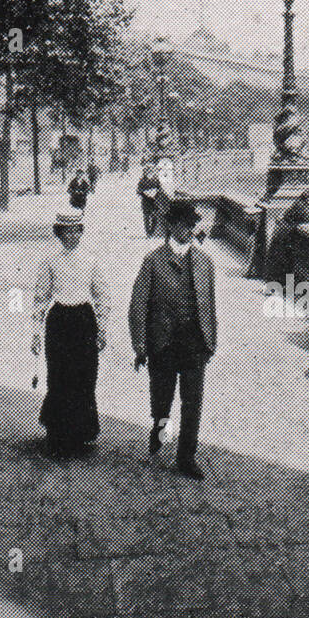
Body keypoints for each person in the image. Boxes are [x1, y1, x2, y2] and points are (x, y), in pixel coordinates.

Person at [129, 198, 216, 479]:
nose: (187, 230)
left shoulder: (204, 262)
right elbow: (138, 304)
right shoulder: (153, 261)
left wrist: (210, 340)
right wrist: (140, 344)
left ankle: (186, 457)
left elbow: (208, 304)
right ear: (170, 226)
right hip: (162, 343)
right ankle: (159, 428)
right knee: (162, 398)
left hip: (194, 343)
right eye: (181, 225)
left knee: (193, 402)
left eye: (191, 225)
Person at [32, 209, 109, 452]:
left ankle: (80, 433)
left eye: (76, 231)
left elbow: (102, 296)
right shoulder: (49, 261)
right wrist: (36, 332)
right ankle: (59, 434)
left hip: (84, 321)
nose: (71, 236)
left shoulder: (91, 260)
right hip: (59, 322)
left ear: (81, 232)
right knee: (59, 376)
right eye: (66, 231)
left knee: (85, 376)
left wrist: (102, 328)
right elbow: (40, 299)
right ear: (59, 233)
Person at [136, 162, 163, 237]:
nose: (150, 173)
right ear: (145, 172)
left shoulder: (156, 180)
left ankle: (152, 231)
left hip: (155, 201)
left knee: (155, 216)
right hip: (146, 201)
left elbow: (160, 189)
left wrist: (156, 192)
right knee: (146, 217)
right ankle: (148, 232)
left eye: (151, 171)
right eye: (148, 171)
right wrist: (145, 193)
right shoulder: (142, 180)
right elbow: (138, 191)